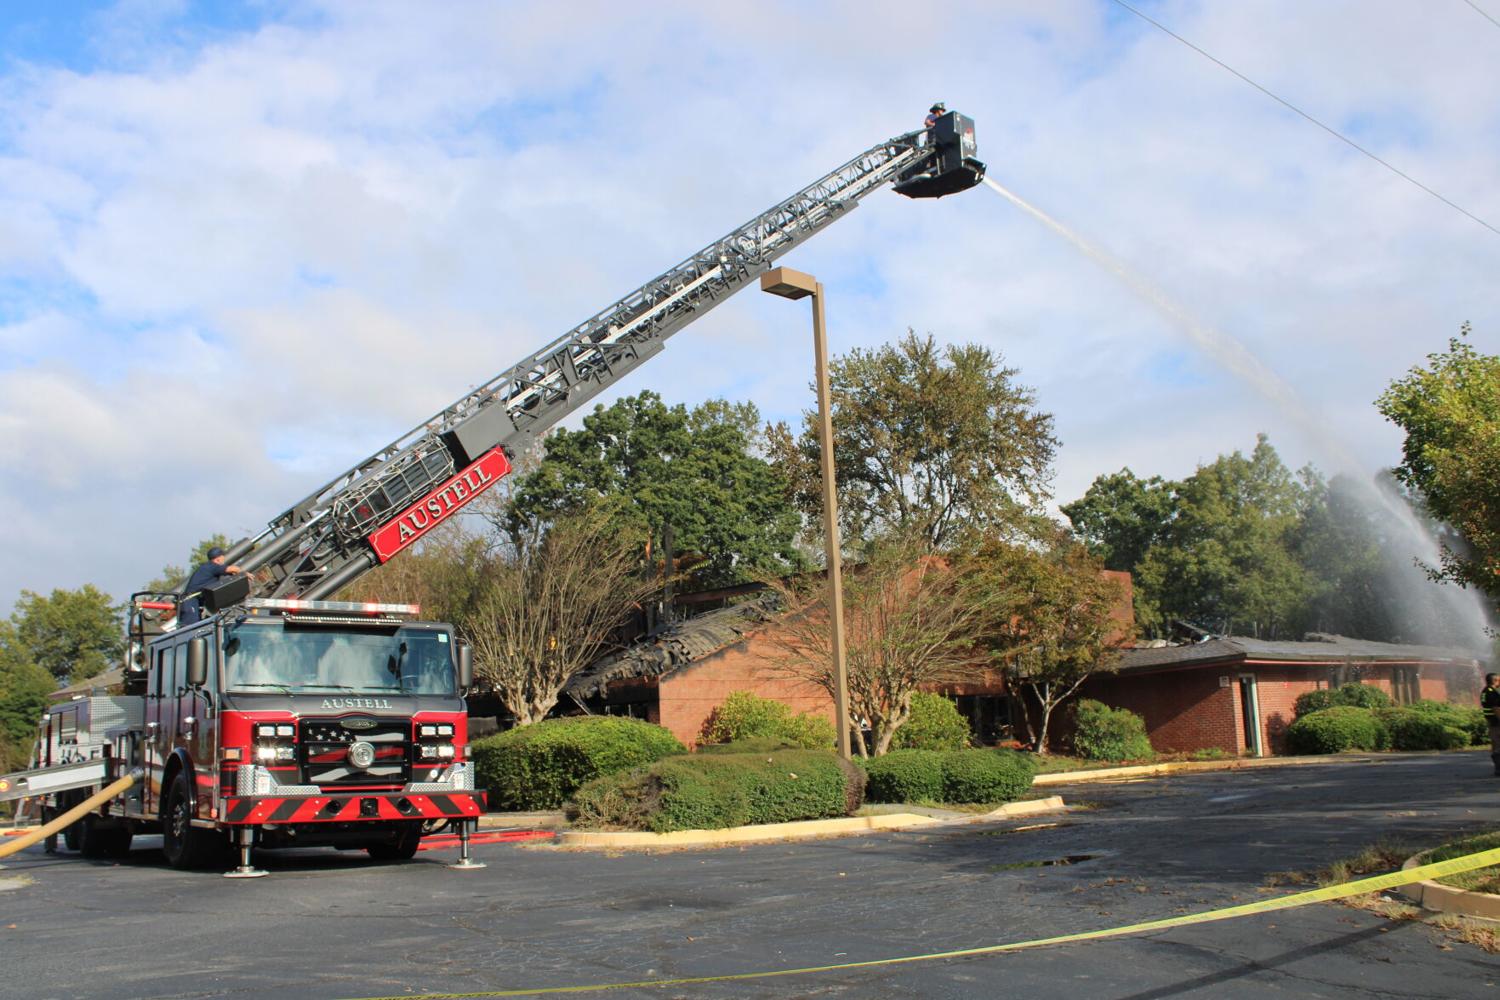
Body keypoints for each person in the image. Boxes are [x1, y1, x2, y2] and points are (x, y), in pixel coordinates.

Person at [178, 547, 245, 625]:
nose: (224, 559)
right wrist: (244, 574)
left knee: (196, 625)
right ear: (218, 559)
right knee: (190, 629)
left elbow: (229, 572)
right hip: (190, 601)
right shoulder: (212, 566)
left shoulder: (209, 567)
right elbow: (234, 569)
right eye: (223, 556)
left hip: (193, 601)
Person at [1483, 673, 1500, 776]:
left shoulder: (1485, 691)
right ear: (1495, 681)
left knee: (1495, 743)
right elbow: (1496, 708)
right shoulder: (1492, 692)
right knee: (1498, 744)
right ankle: (1498, 768)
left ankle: (1497, 768)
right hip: (1496, 722)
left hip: (1491, 721)